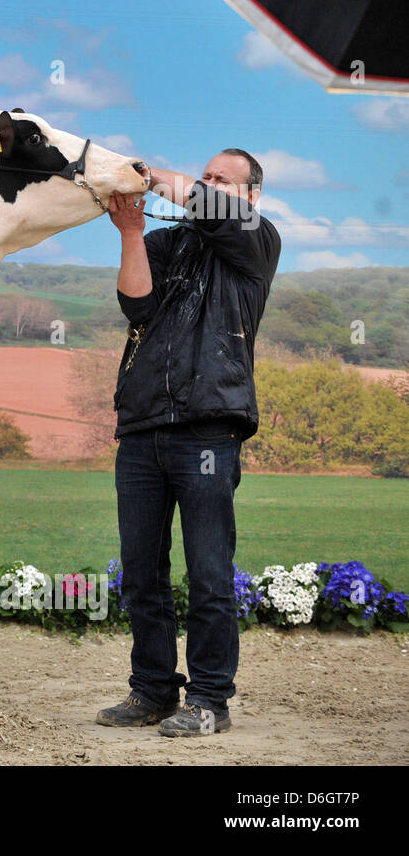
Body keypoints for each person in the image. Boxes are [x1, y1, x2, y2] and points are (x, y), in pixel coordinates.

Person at [97, 149, 281, 737]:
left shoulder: (257, 238)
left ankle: (208, 699)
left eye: (222, 181)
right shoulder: (168, 245)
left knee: (207, 572)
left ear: (250, 197)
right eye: (204, 177)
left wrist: (149, 176)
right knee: (141, 572)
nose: (207, 186)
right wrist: (131, 231)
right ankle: (151, 690)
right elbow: (137, 305)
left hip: (210, 427)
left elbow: (208, 208)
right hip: (144, 426)